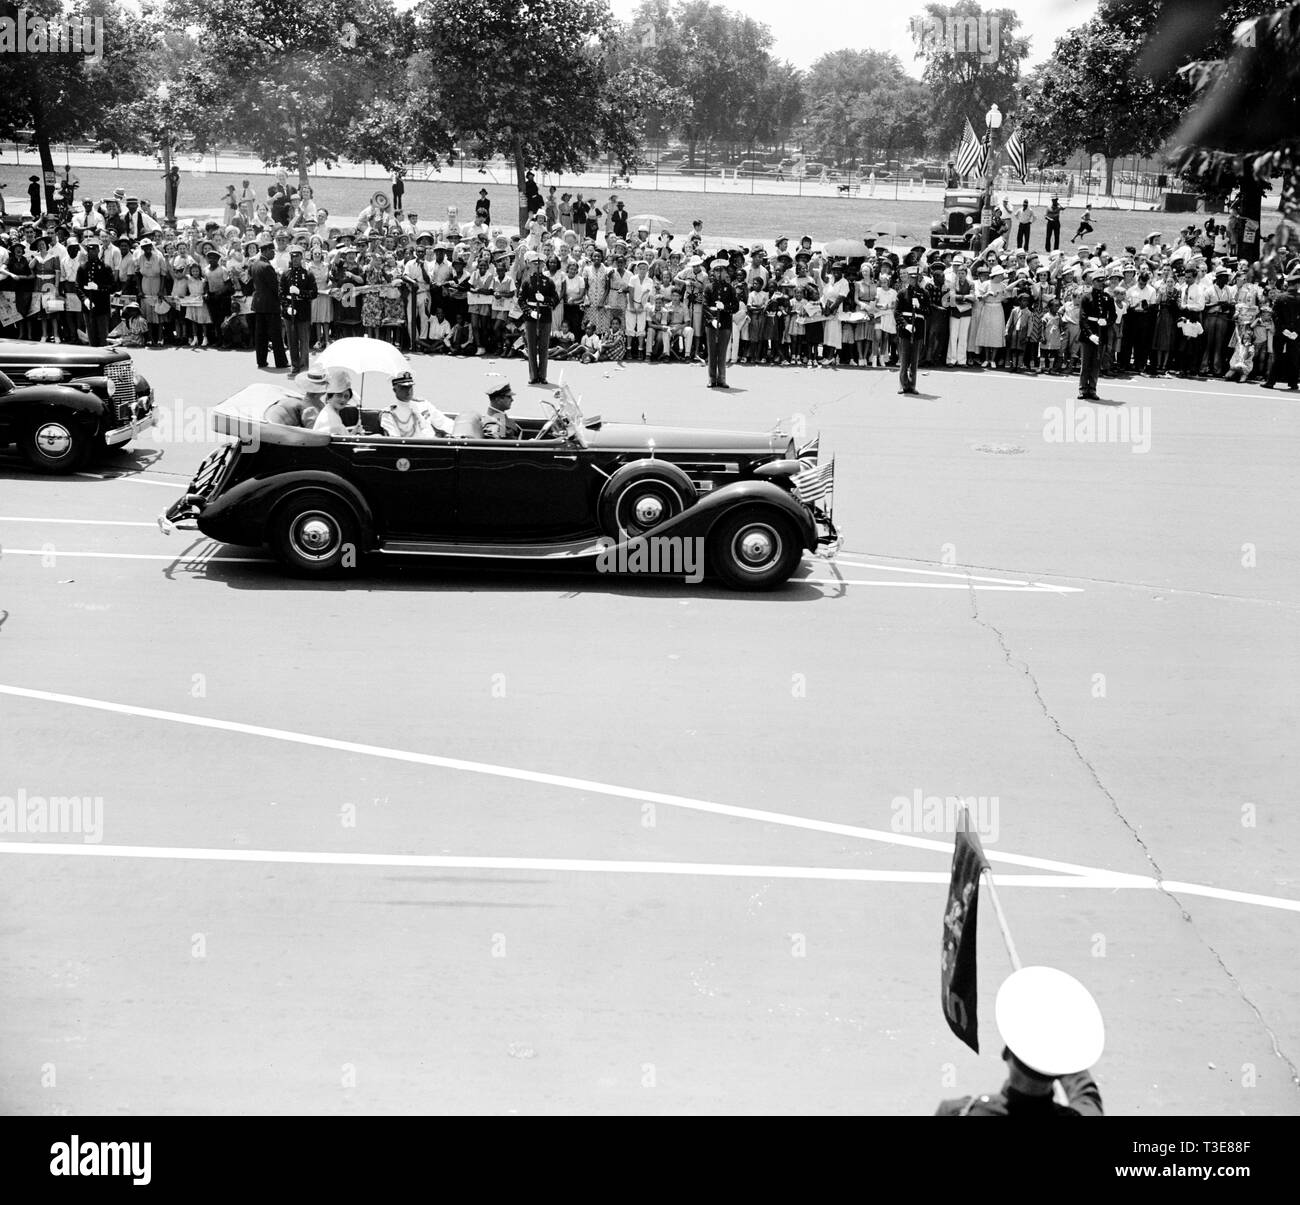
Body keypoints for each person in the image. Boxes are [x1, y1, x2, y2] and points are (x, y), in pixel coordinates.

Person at [935, 966, 1104, 1117]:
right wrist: (1059, 1033)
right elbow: (1087, 1093)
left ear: (1005, 1053)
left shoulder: (956, 1112)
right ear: (1060, 1071)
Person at [248, 236, 289, 370]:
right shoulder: (267, 267)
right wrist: (283, 300)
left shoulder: (255, 264)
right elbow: (275, 287)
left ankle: (261, 360)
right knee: (276, 335)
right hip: (270, 305)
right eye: (272, 251)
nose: (273, 253)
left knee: (261, 335)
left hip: (259, 304)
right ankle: (281, 361)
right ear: (265, 251)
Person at [520, 250, 560, 384]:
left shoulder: (549, 282)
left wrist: (545, 299)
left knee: (543, 346)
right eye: (534, 263)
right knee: (531, 346)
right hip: (531, 316)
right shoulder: (527, 281)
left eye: (540, 263)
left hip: (544, 316)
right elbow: (521, 300)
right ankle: (533, 376)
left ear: (543, 265)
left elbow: (556, 298)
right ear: (530, 265)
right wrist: (528, 311)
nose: (537, 266)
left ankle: (542, 375)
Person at [1078, 268, 1116, 400]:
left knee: (1095, 364)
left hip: (1101, 333)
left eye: (1102, 281)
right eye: (1098, 281)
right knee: (1086, 364)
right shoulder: (1086, 297)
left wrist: (1106, 322)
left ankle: (1092, 389)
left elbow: (1113, 316)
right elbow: (1083, 318)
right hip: (1088, 335)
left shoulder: (1108, 298)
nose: (1100, 283)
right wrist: (1089, 334)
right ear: (1093, 282)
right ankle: (1083, 389)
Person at [701, 256, 739, 388]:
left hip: (725, 323)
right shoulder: (708, 288)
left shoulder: (730, 289)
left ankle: (722, 378)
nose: (718, 273)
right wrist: (712, 320)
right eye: (716, 271)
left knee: (722, 352)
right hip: (712, 324)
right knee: (712, 352)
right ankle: (712, 378)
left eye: (721, 270)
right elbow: (705, 306)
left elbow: (735, 307)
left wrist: (725, 307)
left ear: (725, 273)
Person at [280, 246, 317, 376]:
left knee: (304, 341)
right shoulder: (285, 274)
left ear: (302, 258)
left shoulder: (308, 274)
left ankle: (304, 366)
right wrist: (286, 307)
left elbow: (314, 293)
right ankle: (295, 365)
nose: (295, 259)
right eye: (293, 257)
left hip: (303, 310)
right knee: (292, 340)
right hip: (289, 311)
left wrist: (300, 292)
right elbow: (281, 294)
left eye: (297, 257)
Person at [381, 370, 453, 437]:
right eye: (404, 388)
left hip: (435, 445)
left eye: (410, 387)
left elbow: (443, 423)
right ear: (395, 390)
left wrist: (459, 432)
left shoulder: (423, 405)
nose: (408, 391)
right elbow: (395, 440)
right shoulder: (388, 414)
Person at [1262, 270, 1300, 390]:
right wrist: (1296, 331)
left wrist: (1283, 329)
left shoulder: (1280, 297)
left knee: (1277, 356)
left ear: (1288, 284)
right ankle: (1293, 383)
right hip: (1295, 333)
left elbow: (1275, 315)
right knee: (1293, 357)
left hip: (1281, 332)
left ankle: (1271, 382)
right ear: (1297, 285)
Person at [895, 265, 929, 394]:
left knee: (914, 360)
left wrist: (919, 307)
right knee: (904, 359)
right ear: (908, 279)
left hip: (918, 329)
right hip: (906, 329)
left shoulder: (924, 293)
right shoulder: (902, 293)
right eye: (911, 278)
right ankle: (903, 385)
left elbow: (928, 312)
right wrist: (905, 325)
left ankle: (912, 385)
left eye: (916, 278)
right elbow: (897, 312)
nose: (913, 280)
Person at [77, 241, 115, 347]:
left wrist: (99, 288)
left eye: (94, 250)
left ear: (98, 251)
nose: (92, 253)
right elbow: (78, 286)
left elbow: (112, 286)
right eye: (90, 251)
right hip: (88, 306)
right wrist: (84, 299)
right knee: (91, 336)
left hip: (102, 305)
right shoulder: (83, 268)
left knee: (103, 336)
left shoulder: (105, 268)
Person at [313, 367, 362, 435]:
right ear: (330, 397)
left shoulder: (330, 411)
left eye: (346, 396)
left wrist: (356, 429)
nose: (343, 399)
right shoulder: (331, 418)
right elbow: (346, 441)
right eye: (339, 395)